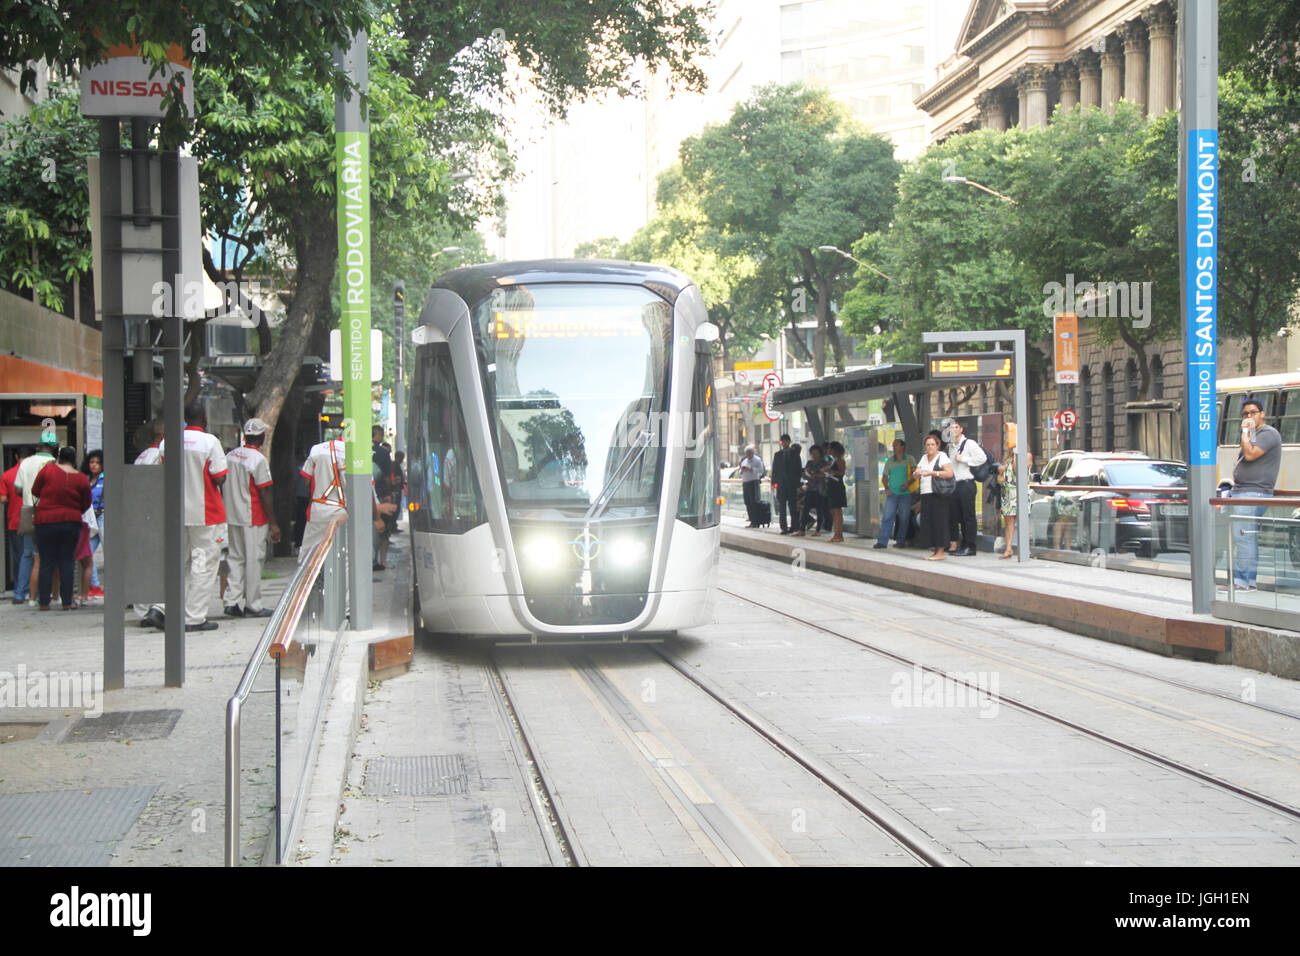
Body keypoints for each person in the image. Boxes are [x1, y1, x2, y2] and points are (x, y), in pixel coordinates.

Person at [159, 403, 228, 632]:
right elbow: (219, 477)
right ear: (204, 417)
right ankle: (194, 617)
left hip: (175, 515)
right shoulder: (210, 442)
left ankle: (164, 609)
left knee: (178, 564)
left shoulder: (167, 443)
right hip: (205, 516)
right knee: (203, 566)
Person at [223, 419, 282, 618]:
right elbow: (264, 492)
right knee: (254, 560)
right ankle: (253, 604)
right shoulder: (258, 460)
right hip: (253, 516)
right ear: (261, 436)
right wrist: (273, 524)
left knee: (236, 558)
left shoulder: (230, 455)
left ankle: (231, 601)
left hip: (232, 515)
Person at [31, 447, 92, 610]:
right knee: (67, 561)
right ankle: (66, 602)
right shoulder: (81, 479)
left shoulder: (48, 470)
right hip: (71, 521)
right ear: (74, 459)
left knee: (46, 562)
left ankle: (44, 602)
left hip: (45, 520)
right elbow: (86, 502)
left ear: (59, 457)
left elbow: (35, 490)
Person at [1231, 395, 1282, 591]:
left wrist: (1245, 431)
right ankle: (1248, 581)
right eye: (1245, 413)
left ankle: (1241, 582)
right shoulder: (1254, 434)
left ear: (1262, 414)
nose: (1248, 416)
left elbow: (1251, 454)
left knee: (1243, 536)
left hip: (1253, 493)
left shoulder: (1268, 434)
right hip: (1244, 492)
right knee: (1247, 536)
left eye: (1253, 412)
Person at [13, 439, 57, 606]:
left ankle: (21, 593)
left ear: (38, 447)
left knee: (28, 554)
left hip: (28, 512)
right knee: (50, 558)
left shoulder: (25, 463)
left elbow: (17, 489)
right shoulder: (52, 463)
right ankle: (47, 594)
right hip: (48, 512)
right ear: (54, 449)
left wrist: (26, 495)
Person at [945, 418, 986, 556]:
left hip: (966, 483)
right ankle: (963, 544)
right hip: (954, 484)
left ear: (961, 429)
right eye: (951, 428)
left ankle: (971, 546)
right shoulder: (951, 446)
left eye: (956, 427)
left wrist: (964, 459)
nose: (953, 430)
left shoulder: (969, 444)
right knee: (957, 516)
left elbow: (982, 458)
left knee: (968, 516)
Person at [916, 432, 955, 561]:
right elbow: (916, 474)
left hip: (938, 493)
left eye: (932, 444)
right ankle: (935, 549)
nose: (930, 447)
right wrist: (916, 474)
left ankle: (941, 550)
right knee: (929, 521)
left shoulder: (942, 456)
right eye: (928, 445)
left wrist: (933, 473)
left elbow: (949, 473)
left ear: (937, 445)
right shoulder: (923, 458)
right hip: (926, 492)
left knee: (940, 521)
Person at [876, 438, 915, 550]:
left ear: (902, 447)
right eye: (893, 446)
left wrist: (908, 484)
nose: (894, 448)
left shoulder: (909, 459)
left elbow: (915, 474)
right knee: (887, 517)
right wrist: (887, 488)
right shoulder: (890, 461)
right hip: (892, 493)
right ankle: (882, 541)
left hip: (905, 493)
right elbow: (884, 477)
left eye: (896, 445)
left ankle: (901, 541)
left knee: (904, 518)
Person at [996, 437, 1030, 560]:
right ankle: (1008, 548)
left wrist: (1016, 455)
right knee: (1008, 521)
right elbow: (1002, 474)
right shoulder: (1008, 457)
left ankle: (1025, 548)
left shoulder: (1026, 455)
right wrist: (1001, 470)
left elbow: (1018, 470)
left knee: (1022, 520)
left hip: (1018, 491)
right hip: (1007, 492)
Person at [2, 448, 26, 600]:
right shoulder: (35, 473)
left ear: (16, 456)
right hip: (35, 520)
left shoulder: (7, 475)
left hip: (15, 521)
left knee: (19, 556)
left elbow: (3, 499)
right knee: (34, 556)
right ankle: (34, 589)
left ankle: (19, 589)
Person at [81, 449, 105, 599]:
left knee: (110, 553)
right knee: (87, 553)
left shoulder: (106, 479)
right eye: (91, 462)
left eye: (97, 462)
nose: (94, 465)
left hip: (103, 516)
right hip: (90, 520)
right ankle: (95, 586)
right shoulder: (86, 480)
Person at [771, 435, 803, 535]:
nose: (784, 443)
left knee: (793, 506)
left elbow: (798, 470)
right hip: (781, 484)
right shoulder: (777, 455)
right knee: (782, 506)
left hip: (792, 484)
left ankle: (794, 526)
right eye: (782, 442)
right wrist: (773, 483)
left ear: (789, 442)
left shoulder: (795, 454)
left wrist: (798, 485)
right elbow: (775, 470)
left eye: (786, 441)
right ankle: (783, 527)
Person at [794, 444, 828, 537]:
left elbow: (825, 474)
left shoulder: (824, 463)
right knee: (805, 509)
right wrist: (809, 474)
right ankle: (801, 529)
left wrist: (814, 474)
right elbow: (805, 474)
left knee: (819, 510)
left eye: (816, 453)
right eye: (812, 453)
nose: (814, 455)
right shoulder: (809, 463)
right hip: (810, 488)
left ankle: (818, 530)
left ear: (820, 454)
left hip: (820, 489)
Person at [824, 441, 848, 543]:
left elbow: (842, 473)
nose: (828, 450)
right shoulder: (835, 460)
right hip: (833, 486)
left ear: (834, 450)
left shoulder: (840, 460)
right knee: (834, 511)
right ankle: (837, 533)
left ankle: (838, 534)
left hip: (837, 487)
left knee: (837, 511)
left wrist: (830, 471)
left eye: (830, 448)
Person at [738, 444, 766, 528]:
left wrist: (751, 469)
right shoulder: (744, 460)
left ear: (752, 453)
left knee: (754, 502)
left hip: (754, 482)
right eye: (747, 453)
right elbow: (740, 471)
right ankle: (751, 520)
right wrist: (742, 471)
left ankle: (756, 521)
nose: (748, 455)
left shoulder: (757, 460)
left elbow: (761, 470)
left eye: (749, 453)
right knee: (748, 502)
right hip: (745, 482)